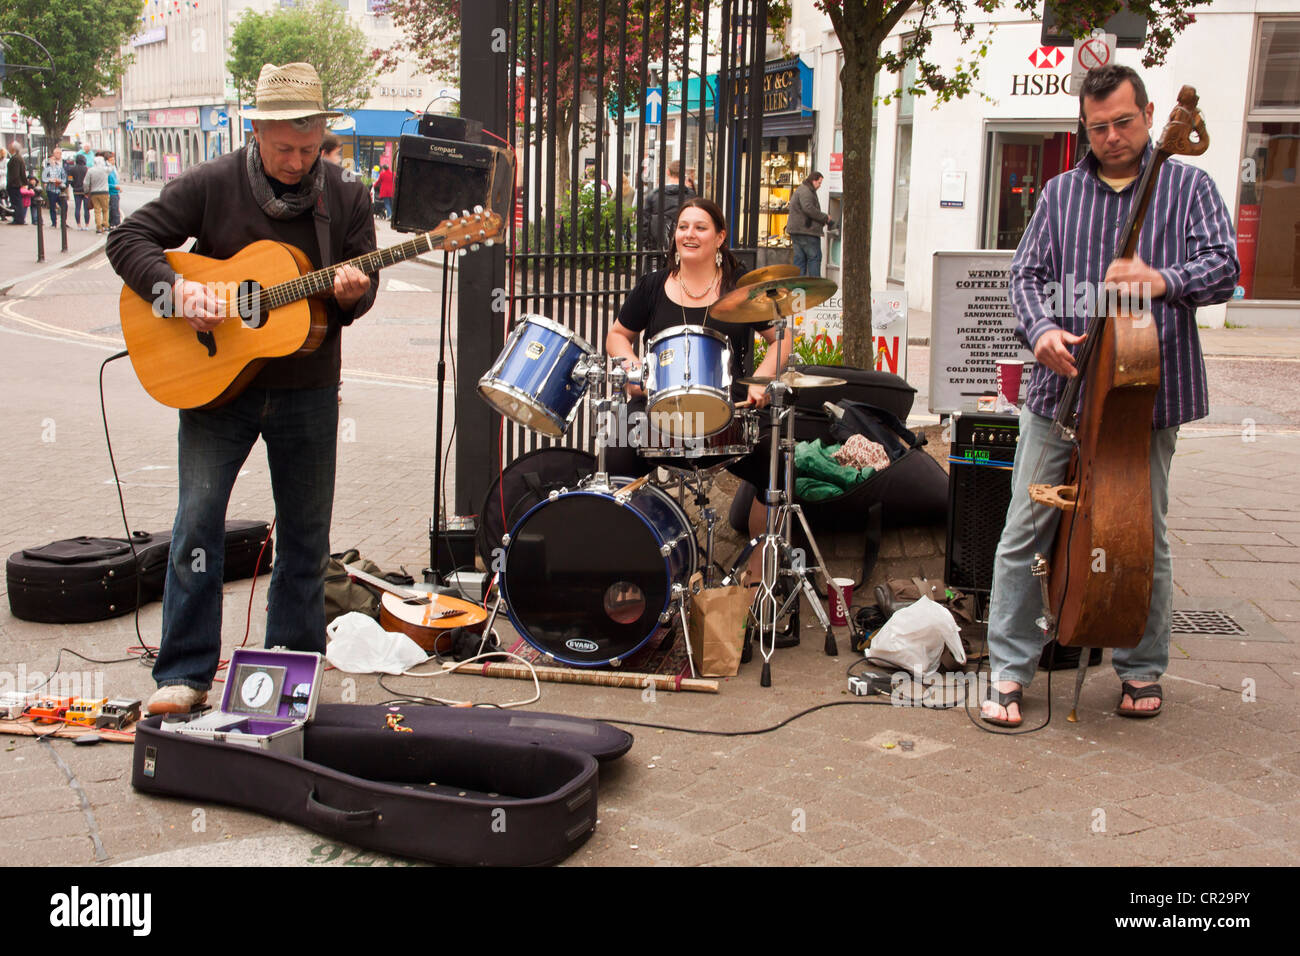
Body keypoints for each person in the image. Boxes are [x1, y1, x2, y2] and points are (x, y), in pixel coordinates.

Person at [106, 62, 377, 716]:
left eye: (308, 149)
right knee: (197, 524)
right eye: (283, 147)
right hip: (214, 385)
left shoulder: (346, 196)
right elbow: (128, 239)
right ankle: (184, 674)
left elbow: (357, 293)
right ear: (256, 131)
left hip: (308, 388)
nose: (295, 161)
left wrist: (355, 294)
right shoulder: (210, 183)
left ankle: (287, 681)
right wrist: (176, 292)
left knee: (306, 539)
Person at [979, 64, 1239, 728]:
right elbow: (1028, 274)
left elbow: (1223, 268)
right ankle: (1009, 669)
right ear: (1084, 128)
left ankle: (1141, 666)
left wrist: (1161, 278)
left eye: (1123, 122)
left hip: (1147, 392)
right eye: (1098, 128)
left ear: (1149, 115)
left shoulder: (1188, 184)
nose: (1113, 136)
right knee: (1023, 529)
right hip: (1061, 389)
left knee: (1139, 529)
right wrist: (1039, 331)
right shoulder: (1061, 194)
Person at [605, 197, 793, 584]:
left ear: (720, 237)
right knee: (616, 456)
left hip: (727, 414)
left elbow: (782, 339)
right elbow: (618, 335)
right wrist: (632, 366)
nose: (688, 234)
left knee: (776, 464)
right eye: (683, 226)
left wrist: (760, 381)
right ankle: (633, 569)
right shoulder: (653, 286)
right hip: (659, 414)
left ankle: (758, 574)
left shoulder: (741, 290)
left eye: (700, 227)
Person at [638, 159, 695, 251]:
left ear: (668, 172)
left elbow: (644, 223)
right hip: (684, 246)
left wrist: (648, 245)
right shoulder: (691, 196)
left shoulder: (654, 195)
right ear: (684, 173)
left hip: (658, 247)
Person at [786, 172, 831, 277]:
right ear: (813, 181)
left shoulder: (803, 189)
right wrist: (825, 217)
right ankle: (814, 287)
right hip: (806, 231)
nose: (820, 185)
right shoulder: (806, 191)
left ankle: (799, 289)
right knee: (814, 259)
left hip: (797, 231)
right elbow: (808, 208)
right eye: (819, 183)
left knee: (799, 261)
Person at [42, 148, 68, 228]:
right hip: (51, 189)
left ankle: (63, 222)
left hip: (60, 190)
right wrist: (49, 180)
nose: (57, 155)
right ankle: (54, 222)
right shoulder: (48, 167)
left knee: (64, 206)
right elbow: (44, 178)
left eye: (58, 153)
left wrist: (61, 181)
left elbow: (65, 177)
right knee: (52, 207)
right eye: (55, 153)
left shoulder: (62, 166)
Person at [85, 156, 110, 234]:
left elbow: (85, 183)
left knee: (97, 210)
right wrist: (108, 163)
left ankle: (98, 227)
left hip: (94, 193)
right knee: (105, 210)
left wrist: (86, 191)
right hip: (104, 192)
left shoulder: (90, 170)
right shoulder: (105, 170)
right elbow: (112, 168)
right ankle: (105, 226)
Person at [68, 155, 89, 229]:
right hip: (85, 191)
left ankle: (79, 225)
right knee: (86, 208)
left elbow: (70, 180)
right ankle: (86, 225)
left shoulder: (72, 169)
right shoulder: (86, 169)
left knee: (77, 208)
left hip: (76, 191)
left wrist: (74, 185)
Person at [8, 143, 27, 225]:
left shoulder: (15, 158)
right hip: (17, 183)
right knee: (17, 202)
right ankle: (19, 218)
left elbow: (15, 174)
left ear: (13, 149)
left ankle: (18, 219)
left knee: (16, 202)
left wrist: (10, 182)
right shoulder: (18, 158)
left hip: (14, 184)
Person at [105, 152, 122, 230]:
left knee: (115, 208)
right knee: (113, 209)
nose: (113, 161)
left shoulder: (113, 168)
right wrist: (115, 186)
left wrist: (117, 186)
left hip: (115, 191)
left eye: (114, 159)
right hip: (111, 192)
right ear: (107, 161)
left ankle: (116, 224)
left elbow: (115, 180)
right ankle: (113, 224)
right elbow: (106, 183)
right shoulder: (107, 170)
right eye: (111, 160)